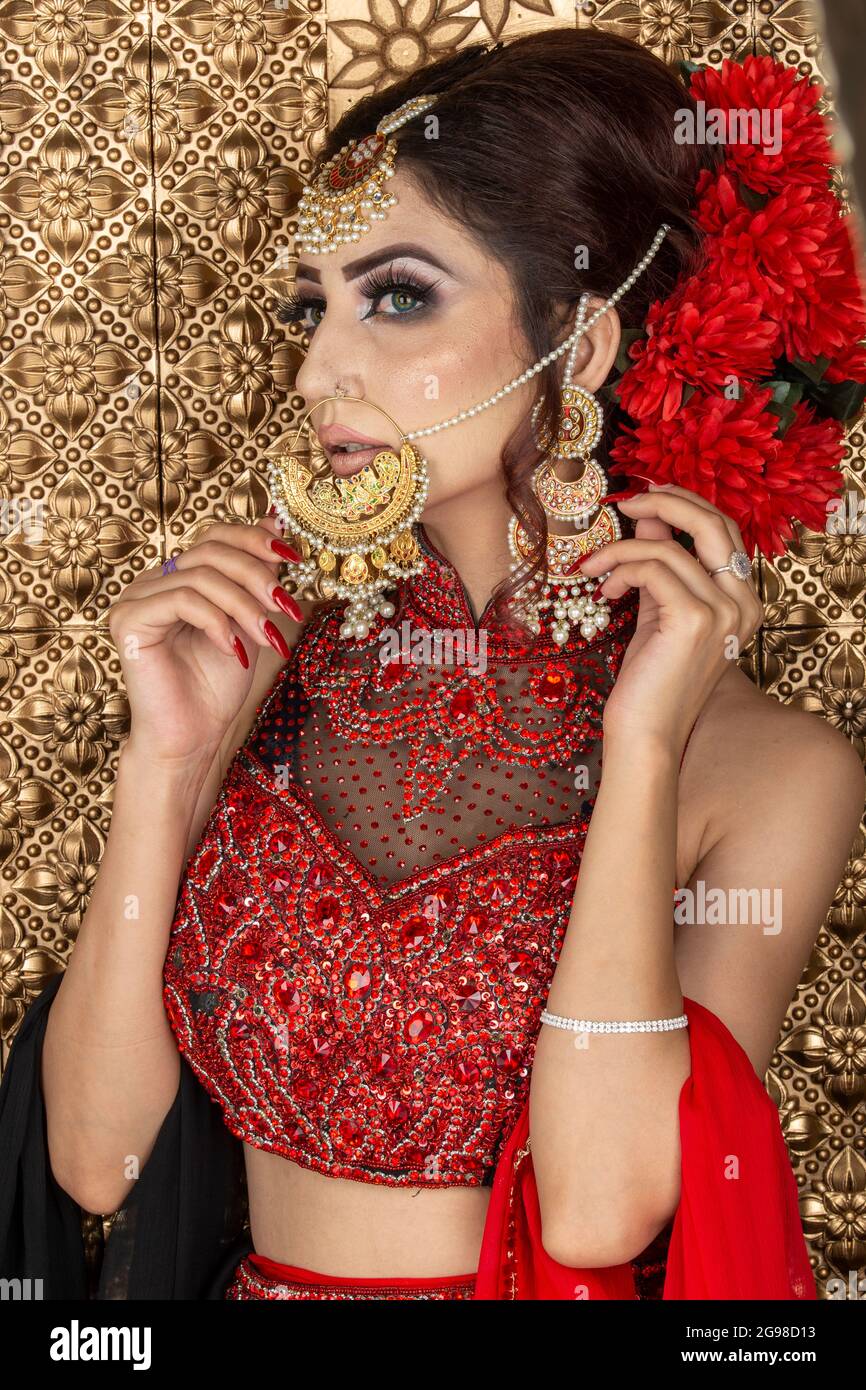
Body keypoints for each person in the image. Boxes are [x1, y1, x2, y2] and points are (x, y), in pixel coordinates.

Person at [2, 27, 865, 1301]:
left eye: (396, 295)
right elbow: (98, 1161)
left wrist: (636, 746)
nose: (313, 369)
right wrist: (165, 765)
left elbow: (594, 1207)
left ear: (574, 352)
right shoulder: (256, 672)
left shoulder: (763, 766)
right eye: (314, 305)